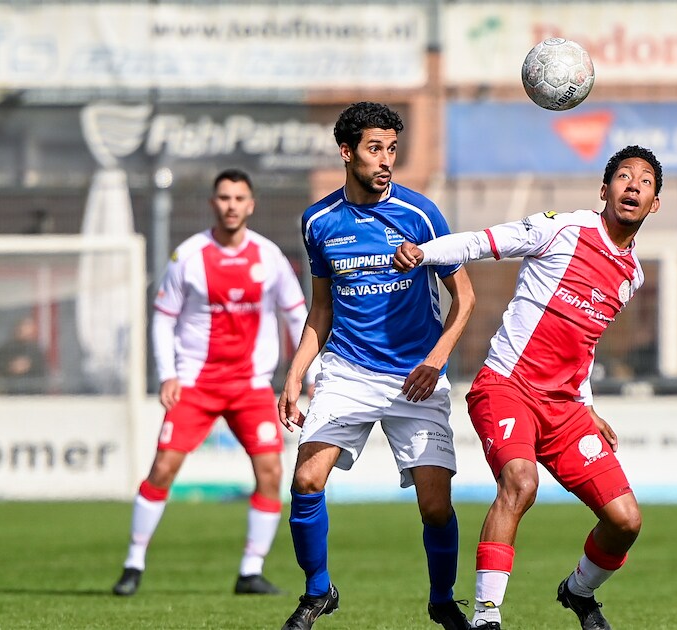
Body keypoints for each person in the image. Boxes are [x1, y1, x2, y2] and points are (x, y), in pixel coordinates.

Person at [394, 145, 663, 630]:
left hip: (566, 408)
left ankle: (578, 592)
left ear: (654, 204)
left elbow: (583, 342)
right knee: (520, 481)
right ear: (604, 191)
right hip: (506, 387)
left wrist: (588, 404)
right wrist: (423, 254)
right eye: (623, 177)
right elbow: (482, 242)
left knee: (626, 521)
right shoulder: (562, 228)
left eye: (644, 182)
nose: (632, 186)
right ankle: (486, 617)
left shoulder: (632, 274)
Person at [276, 102, 476, 630]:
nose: (386, 160)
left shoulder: (421, 215)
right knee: (305, 481)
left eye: (391, 149)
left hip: (416, 374)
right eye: (374, 149)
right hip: (348, 369)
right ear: (347, 153)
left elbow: (467, 299)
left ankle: (441, 600)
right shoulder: (319, 220)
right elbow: (322, 308)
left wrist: (437, 359)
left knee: (435, 505)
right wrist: (296, 372)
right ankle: (318, 592)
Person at [112, 169, 312, 597]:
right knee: (163, 468)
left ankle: (250, 571)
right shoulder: (188, 255)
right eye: (224, 197)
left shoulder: (270, 257)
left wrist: (306, 374)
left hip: (251, 385)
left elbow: (298, 316)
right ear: (213, 203)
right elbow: (163, 318)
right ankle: (133, 563)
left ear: (251, 204)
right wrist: (168, 373)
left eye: (240, 197)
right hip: (195, 385)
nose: (232, 205)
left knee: (271, 472)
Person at [0, 316, 49, 394]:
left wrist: (29, 366)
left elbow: (43, 371)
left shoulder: (36, 350)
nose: (27, 331)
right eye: (24, 327)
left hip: (33, 394)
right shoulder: (5, 349)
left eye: (29, 328)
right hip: (9, 393)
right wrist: (11, 367)